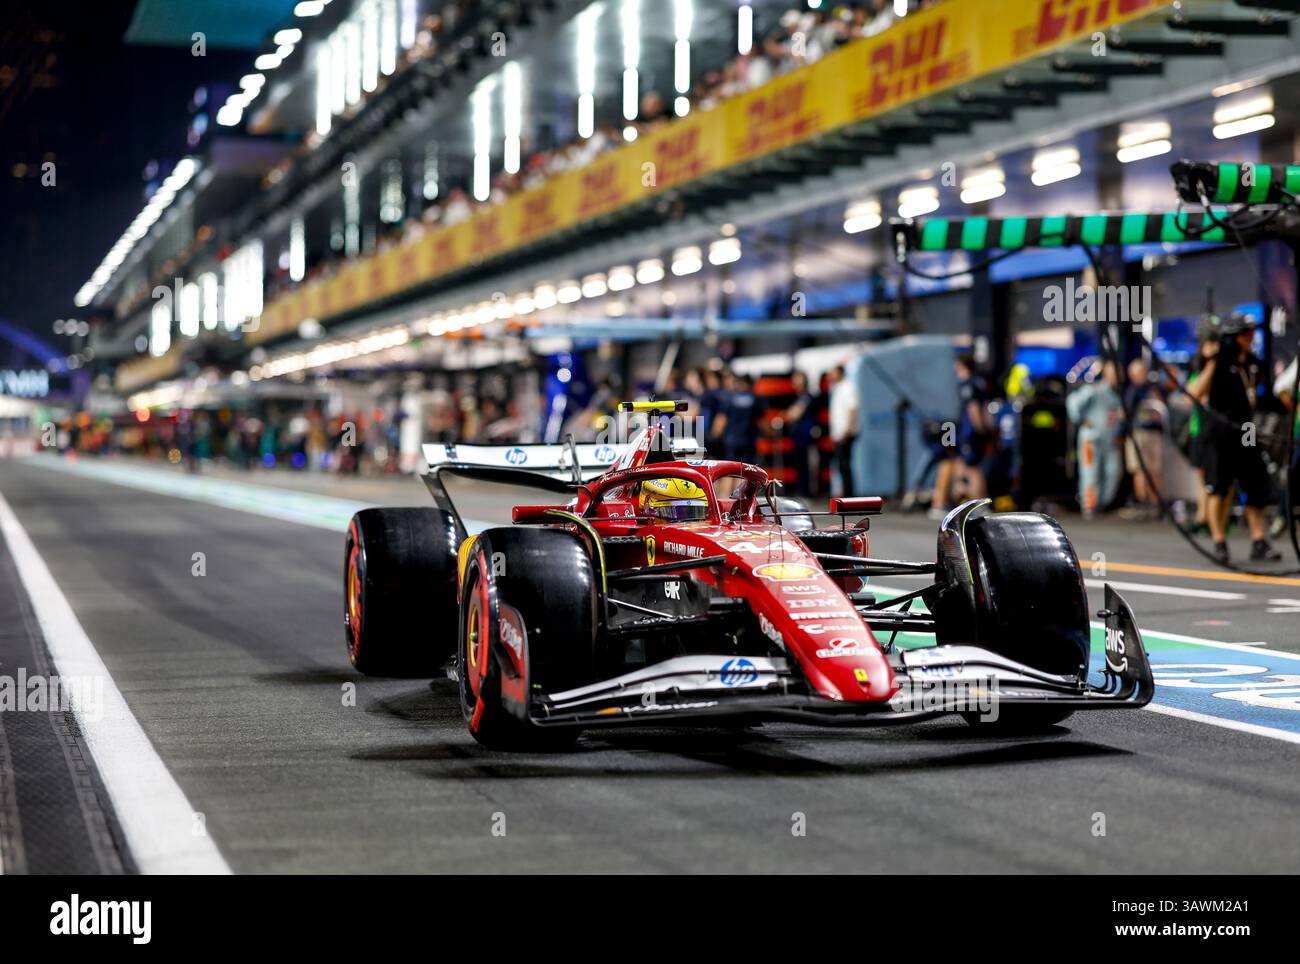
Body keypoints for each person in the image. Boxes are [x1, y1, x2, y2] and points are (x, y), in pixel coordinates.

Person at [1188, 312, 1281, 562]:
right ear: (1237, 336)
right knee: (1220, 488)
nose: (1250, 337)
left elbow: (1261, 395)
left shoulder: (1251, 362)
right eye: (1246, 333)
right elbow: (1195, 392)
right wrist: (1214, 360)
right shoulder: (1215, 361)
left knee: (1256, 483)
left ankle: (1258, 540)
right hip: (1220, 431)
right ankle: (1219, 541)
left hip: (1247, 429)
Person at [930, 354, 990, 518]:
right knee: (959, 464)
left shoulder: (967, 385)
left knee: (969, 467)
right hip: (957, 430)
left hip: (964, 431)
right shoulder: (975, 382)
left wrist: (979, 429)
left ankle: (978, 504)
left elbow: (974, 409)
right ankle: (958, 501)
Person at [1066, 359, 1124, 519]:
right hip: (1091, 440)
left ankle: (1101, 504)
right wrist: (1080, 420)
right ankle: (1090, 506)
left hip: (1110, 441)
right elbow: (1072, 403)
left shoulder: (1117, 395)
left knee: (1113, 473)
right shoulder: (1094, 389)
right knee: (1090, 473)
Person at [828, 365, 859, 498]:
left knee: (845, 466)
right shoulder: (837, 388)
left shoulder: (848, 387)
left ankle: (849, 494)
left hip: (845, 434)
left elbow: (853, 409)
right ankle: (845, 492)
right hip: (838, 434)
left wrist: (847, 430)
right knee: (841, 466)